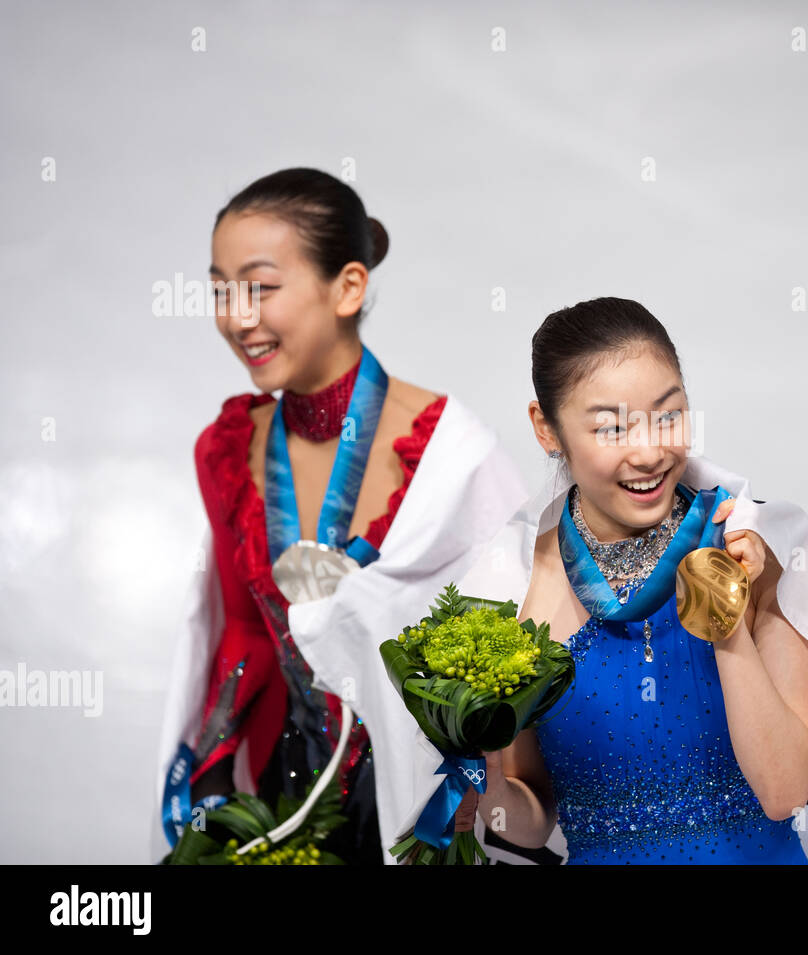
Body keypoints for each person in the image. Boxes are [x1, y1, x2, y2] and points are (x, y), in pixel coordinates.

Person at [438, 296, 808, 864]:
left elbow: (784, 791)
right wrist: (482, 779)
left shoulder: (755, 548)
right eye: (612, 428)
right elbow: (532, 824)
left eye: (668, 415)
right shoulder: (507, 595)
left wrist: (726, 615)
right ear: (547, 428)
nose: (650, 452)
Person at [152, 168, 527, 864]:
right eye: (220, 290)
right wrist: (207, 776)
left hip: (427, 798)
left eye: (260, 287)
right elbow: (242, 629)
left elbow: (515, 638)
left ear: (348, 287)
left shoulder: (453, 454)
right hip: (283, 796)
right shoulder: (227, 450)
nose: (237, 316)